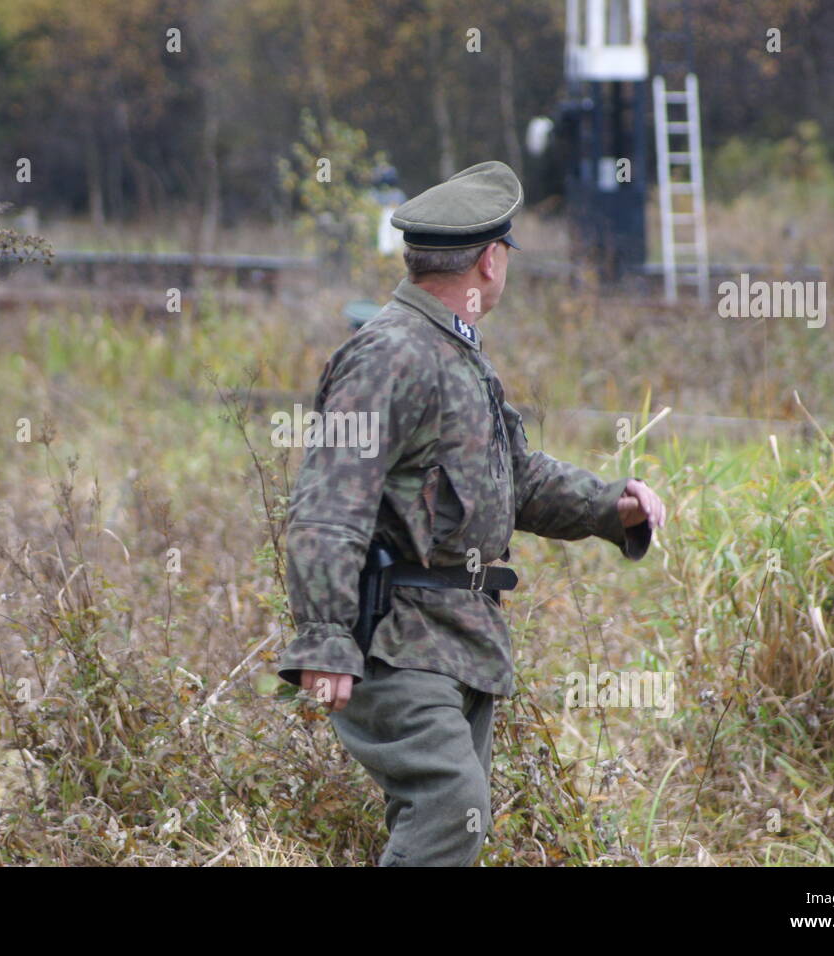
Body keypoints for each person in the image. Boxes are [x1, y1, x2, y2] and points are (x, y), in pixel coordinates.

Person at [277, 161, 666, 866]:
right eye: (505, 254)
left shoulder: (455, 353)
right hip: (397, 642)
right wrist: (326, 639)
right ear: (491, 260)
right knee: (452, 810)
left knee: (457, 821)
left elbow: (515, 480)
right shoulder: (391, 354)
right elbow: (327, 503)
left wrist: (615, 507)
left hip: (459, 641)